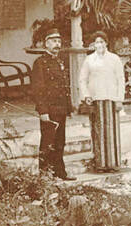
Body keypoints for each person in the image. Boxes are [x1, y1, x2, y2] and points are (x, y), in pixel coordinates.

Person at [79, 30, 125, 172]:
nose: (99, 45)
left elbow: (120, 79)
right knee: (98, 131)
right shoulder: (89, 60)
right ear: (93, 45)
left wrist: (119, 99)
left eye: (101, 41)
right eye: (96, 42)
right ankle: (100, 164)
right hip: (96, 99)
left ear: (106, 43)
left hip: (111, 99)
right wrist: (86, 95)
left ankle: (113, 164)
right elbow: (82, 79)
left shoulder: (114, 59)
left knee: (111, 132)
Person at [31, 28, 70, 179]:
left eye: (59, 41)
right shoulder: (40, 63)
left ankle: (60, 173)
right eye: (54, 41)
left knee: (60, 142)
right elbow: (38, 89)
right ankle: (45, 175)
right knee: (48, 143)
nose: (57, 44)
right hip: (49, 109)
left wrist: (68, 107)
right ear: (46, 44)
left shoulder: (60, 61)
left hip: (61, 108)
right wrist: (43, 111)